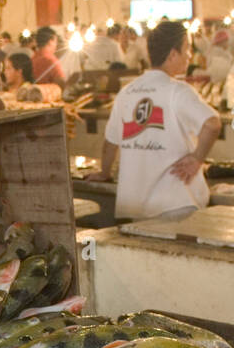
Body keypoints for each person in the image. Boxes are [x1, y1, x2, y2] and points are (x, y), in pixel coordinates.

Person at [86, 21, 221, 220]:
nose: (190, 55)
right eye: (187, 49)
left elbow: (110, 143)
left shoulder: (127, 92)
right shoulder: (178, 91)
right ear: (173, 54)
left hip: (135, 208)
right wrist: (197, 158)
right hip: (177, 206)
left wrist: (104, 172)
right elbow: (212, 123)